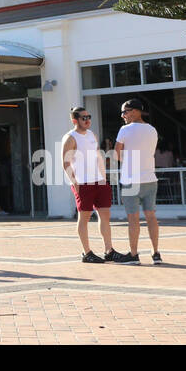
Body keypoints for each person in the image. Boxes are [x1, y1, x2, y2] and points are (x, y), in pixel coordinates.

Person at [63, 105, 119, 263]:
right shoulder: (70, 138)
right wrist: (75, 183)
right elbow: (65, 163)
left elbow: (98, 157)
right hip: (83, 182)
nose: (87, 120)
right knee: (84, 217)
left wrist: (104, 178)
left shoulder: (92, 135)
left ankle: (109, 250)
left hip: (99, 181)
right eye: (83, 118)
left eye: (89, 117)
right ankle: (87, 253)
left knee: (105, 215)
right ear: (75, 120)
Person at [115, 98, 161, 264]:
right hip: (150, 178)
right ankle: (156, 253)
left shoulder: (125, 130)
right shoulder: (152, 130)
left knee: (133, 218)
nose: (123, 116)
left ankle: (134, 254)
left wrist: (127, 160)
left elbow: (116, 154)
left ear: (135, 111)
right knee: (151, 216)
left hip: (130, 180)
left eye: (125, 111)